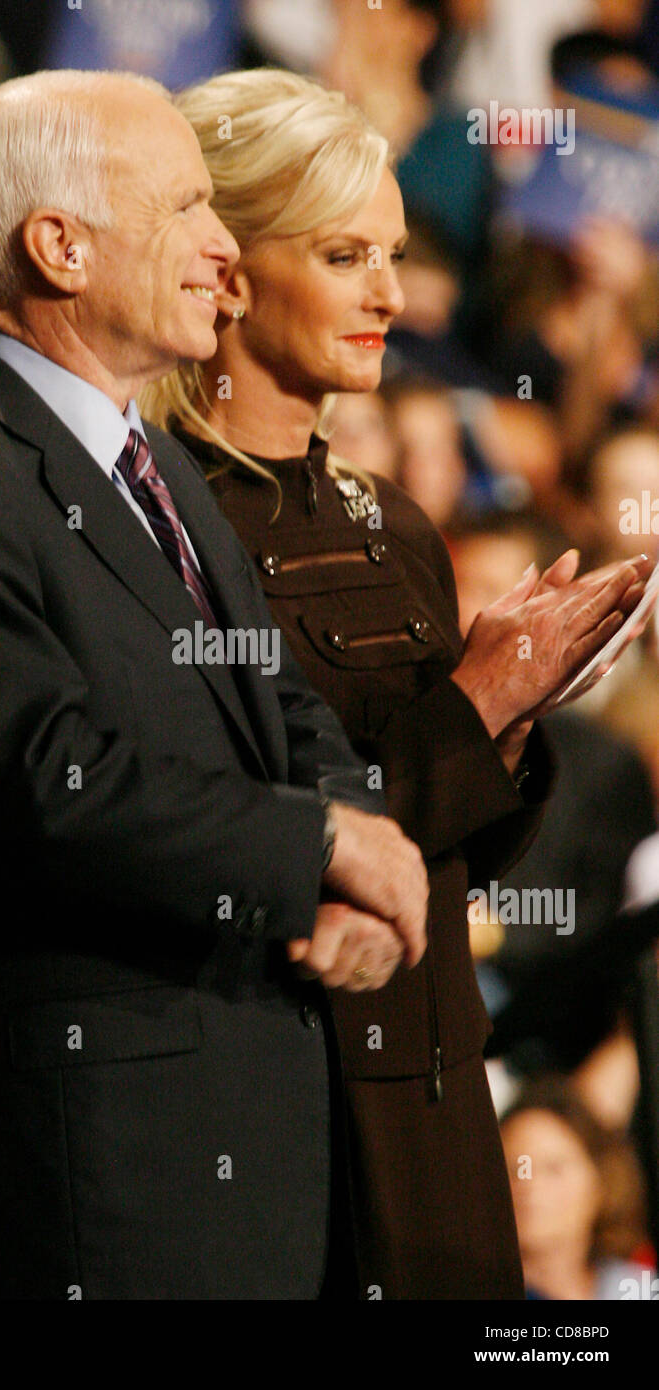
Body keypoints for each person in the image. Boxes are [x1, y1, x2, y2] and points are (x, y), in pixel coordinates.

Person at [0, 68, 431, 1300]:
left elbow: (271, 699)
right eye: (183, 211)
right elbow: (45, 788)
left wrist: (351, 842)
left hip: (250, 1153)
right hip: (96, 1194)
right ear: (57, 246)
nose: (223, 250)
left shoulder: (147, 458)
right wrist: (315, 842)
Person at [140, 66, 652, 1298]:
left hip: (429, 1103)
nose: (392, 292)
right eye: (342, 255)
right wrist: (475, 703)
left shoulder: (394, 524)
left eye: (395, 251)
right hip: (271, 1114)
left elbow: (449, 844)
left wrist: (520, 710)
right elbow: (240, 839)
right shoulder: (148, 526)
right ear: (229, 264)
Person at [500, 1079, 657, 1300]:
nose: (528, 1184)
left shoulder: (642, 1290)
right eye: (515, 1169)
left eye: (553, 1168)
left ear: (602, 1182)